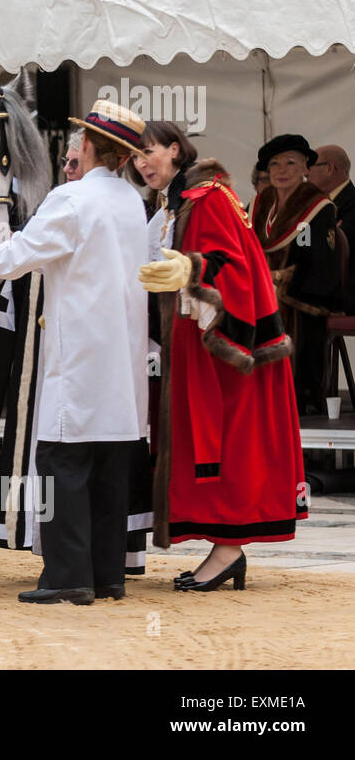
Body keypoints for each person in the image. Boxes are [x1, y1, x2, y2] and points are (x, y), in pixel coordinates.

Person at [0, 100, 149, 605]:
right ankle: (106, 574)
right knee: (109, 466)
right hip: (121, 355)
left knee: (61, 465)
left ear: (91, 146)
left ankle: (67, 576)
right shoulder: (132, 202)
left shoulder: (70, 199)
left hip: (79, 353)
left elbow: (15, 257)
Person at [138, 150, 308, 591]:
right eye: (135, 157)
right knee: (217, 441)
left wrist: (192, 268)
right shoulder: (183, 198)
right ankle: (224, 550)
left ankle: (229, 550)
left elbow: (234, 266)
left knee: (230, 440)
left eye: (148, 152)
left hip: (228, 346)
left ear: (173, 150)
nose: (141, 163)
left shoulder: (207, 196)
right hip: (209, 343)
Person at [248, 134, 342, 415]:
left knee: (287, 316)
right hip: (258, 292)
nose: (281, 170)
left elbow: (321, 264)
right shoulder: (259, 205)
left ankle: (293, 398)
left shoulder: (318, 207)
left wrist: (281, 285)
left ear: (305, 169)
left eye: (290, 162)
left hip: (299, 297)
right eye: (274, 164)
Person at [310, 144, 354, 311]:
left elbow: (333, 248)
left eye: (310, 166)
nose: (305, 173)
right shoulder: (317, 204)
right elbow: (302, 242)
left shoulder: (351, 203)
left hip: (345, 290)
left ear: (329, 168)